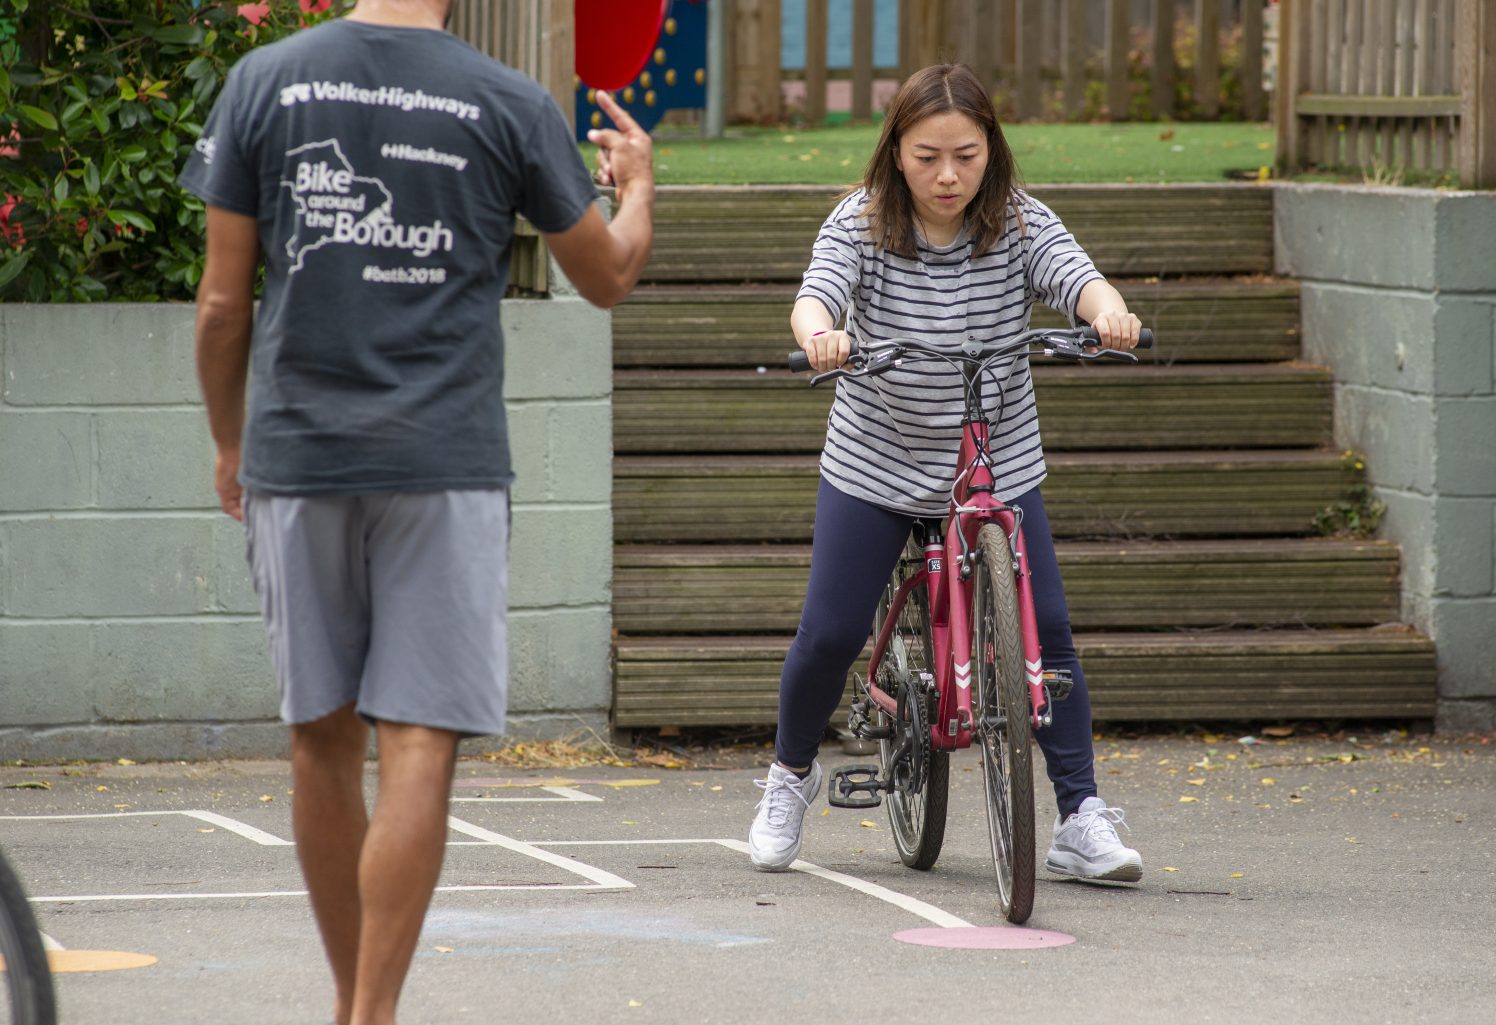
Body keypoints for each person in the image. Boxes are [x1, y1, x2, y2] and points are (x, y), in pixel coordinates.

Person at [179, 3, 653, 1023]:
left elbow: (223, 306)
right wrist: (642, 187)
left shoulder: (267, 81)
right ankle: (373, 1012)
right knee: (420, 741)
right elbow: (607, 277)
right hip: (445, 462)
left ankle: (349, 999)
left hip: (299, 453)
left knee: (320, 736)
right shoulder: (510, 101)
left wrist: (230, 442)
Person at [747, 63, 1144, 885]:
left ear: (991, 151)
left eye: (967, 154)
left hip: (995, 463)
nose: (949, 175)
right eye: (928, 155)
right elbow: (815, 295)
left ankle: (1079, 816)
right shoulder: (860, 225)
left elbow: (1077, 276)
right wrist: (822, 332)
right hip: (878, 459)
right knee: (827, 633)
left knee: (1053, 631)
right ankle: (789, 776)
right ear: (896, 151)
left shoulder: (1019, 221)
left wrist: (1106, 312)